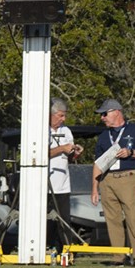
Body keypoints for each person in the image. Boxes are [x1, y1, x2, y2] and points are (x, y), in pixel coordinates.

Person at [90, 98, 135, 266]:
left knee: (133, 218)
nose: (102, 118)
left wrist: (132, 152)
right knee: (112, 220)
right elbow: (97, 164)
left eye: (105, 114)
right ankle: (119, 257)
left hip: (127, 177)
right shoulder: (103, 136)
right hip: (107, 179)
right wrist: (94, 188)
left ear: (116, 112)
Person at [46, 98, 81, 251]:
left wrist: (75, 153)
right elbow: (39, 154)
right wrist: (61, 149)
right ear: (50, 114)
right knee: (47, 221)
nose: (63, 119)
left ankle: (66, 250)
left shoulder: (66, 131)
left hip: (63, 185)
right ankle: (47, 248)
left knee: (64, 221)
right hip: (46, 185)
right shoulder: (41, 130)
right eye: (60, 115)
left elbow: (70, 157)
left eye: (64, 115)